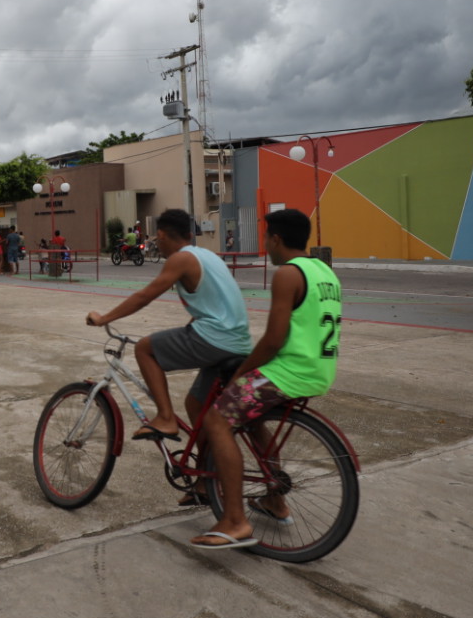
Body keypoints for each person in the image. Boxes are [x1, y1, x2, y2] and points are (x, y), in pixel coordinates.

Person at [187, 208, 342, 549]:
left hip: (288, 372)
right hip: (318, 370)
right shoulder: (323, 271)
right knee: (251, 418)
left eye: (266, 238)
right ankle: (274, 499)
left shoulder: (288, 274)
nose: (265, 245)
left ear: (276, 238)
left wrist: (241, 375)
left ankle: (234, 520)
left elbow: (273, 340)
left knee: (216, 419)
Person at [85, 206, 251, 458]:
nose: (154, 244)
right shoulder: (208, 256)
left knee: (144, 349)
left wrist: (104, 318)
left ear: (161, 235)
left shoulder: (181, 259)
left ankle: (165, 418)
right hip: (238, 342)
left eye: (155, 239)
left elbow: (145, 296)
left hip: (215, 338)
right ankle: (205, 481)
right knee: (195, 405)